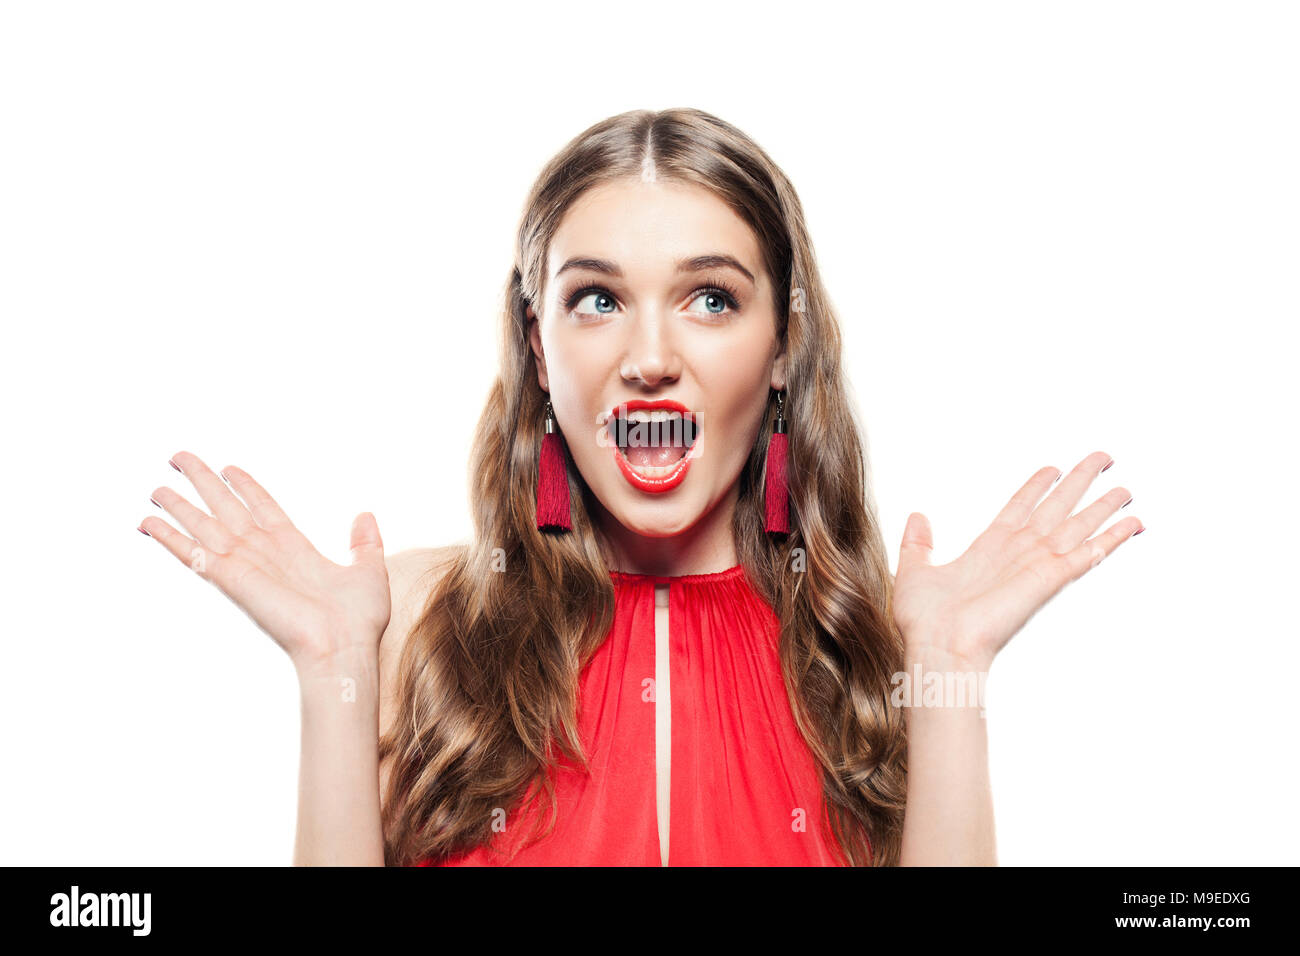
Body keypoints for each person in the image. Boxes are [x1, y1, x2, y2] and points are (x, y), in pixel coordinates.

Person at [138, 107, 1143, 866]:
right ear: (538, 345)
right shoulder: (401, 623)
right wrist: (329, 669)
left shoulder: (885, 641)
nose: (649, 355)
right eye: (597, 299)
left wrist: (952, 666)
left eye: (710, 298)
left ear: (783, 342)